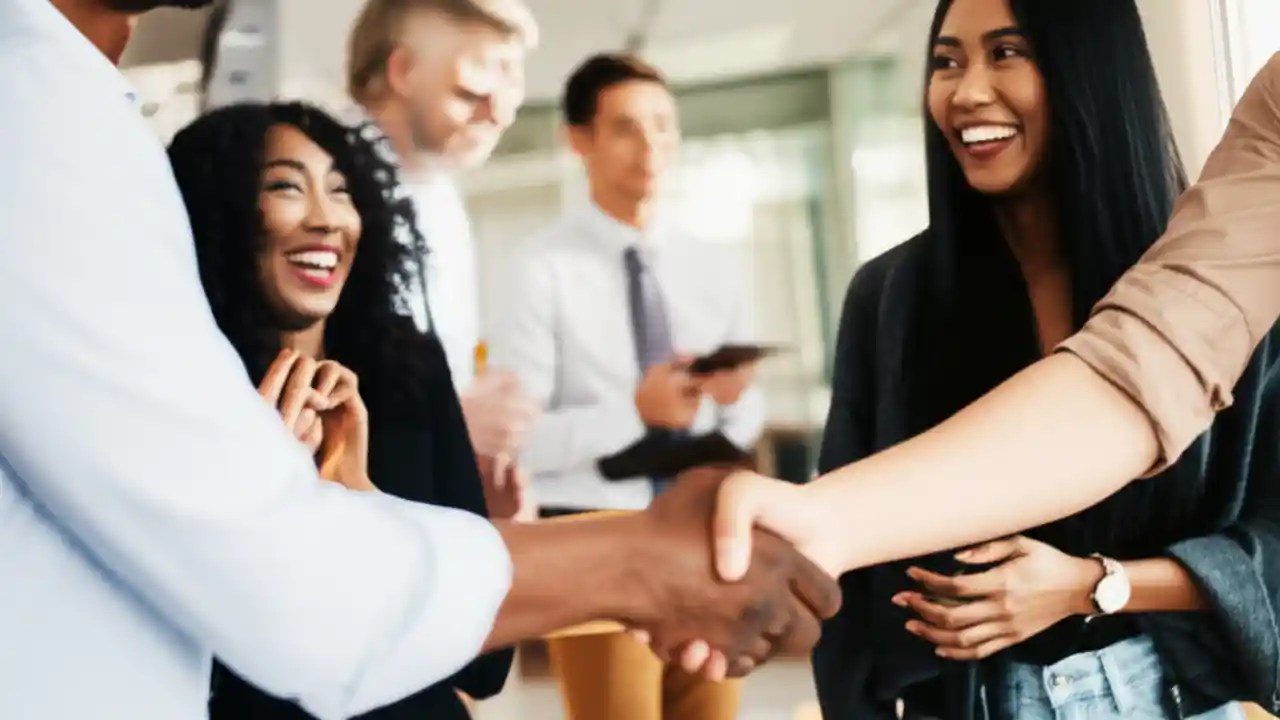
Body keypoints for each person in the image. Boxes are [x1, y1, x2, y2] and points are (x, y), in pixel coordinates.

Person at [0, 2, 841, 718]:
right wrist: (635, 557)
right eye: (289, 188)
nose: (326, 220)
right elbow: (284, 585)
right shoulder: (36, 117)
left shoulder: (403, 338)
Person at [704, 19, 1280, 634]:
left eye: (1007, 53)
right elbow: (1141, 376)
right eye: (946, 62)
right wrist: (825, 521)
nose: (968, 92)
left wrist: (1095, 584)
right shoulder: (892, 294)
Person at [165, 101, 517, 720]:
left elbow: (484, 660)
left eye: (341, 191)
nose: (327, 220)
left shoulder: (410, 368)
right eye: (286, 187)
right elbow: (195, 664)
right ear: (215, 212)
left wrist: (364, 499)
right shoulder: (184, 392)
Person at [489, 54, 764, 720]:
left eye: (664, 127)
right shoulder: (537, 271)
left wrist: (732, 404)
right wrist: (634, 413)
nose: (651, 148)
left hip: (706, 532)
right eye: (627, 128)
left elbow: (745, 420)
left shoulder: (714, 264)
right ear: (578, 139)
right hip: (595, 537)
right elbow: (515, 442)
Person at [345, 0, 539, 493]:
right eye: (475, 87)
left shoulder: (441, 197)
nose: (500, 113)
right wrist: (449, 425)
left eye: (512, 84)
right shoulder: (324, 189)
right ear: (403, 70)